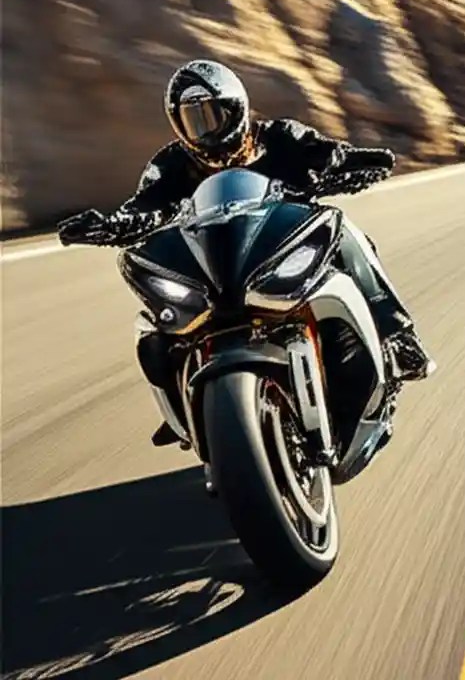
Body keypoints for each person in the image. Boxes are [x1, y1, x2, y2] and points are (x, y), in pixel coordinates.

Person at [56, 60, 433, 444]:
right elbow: (145, 206)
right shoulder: (170, 165)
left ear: (236, 108)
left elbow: (324, 154)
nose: (203, 130)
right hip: (216, 262)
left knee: (348, 233)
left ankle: (397, 335)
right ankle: (183, 405)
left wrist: (352, 163)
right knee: (156, 321)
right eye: (191, 121)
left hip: (280, 245)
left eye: (210, 115)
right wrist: (111, 224)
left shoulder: (281, 136)